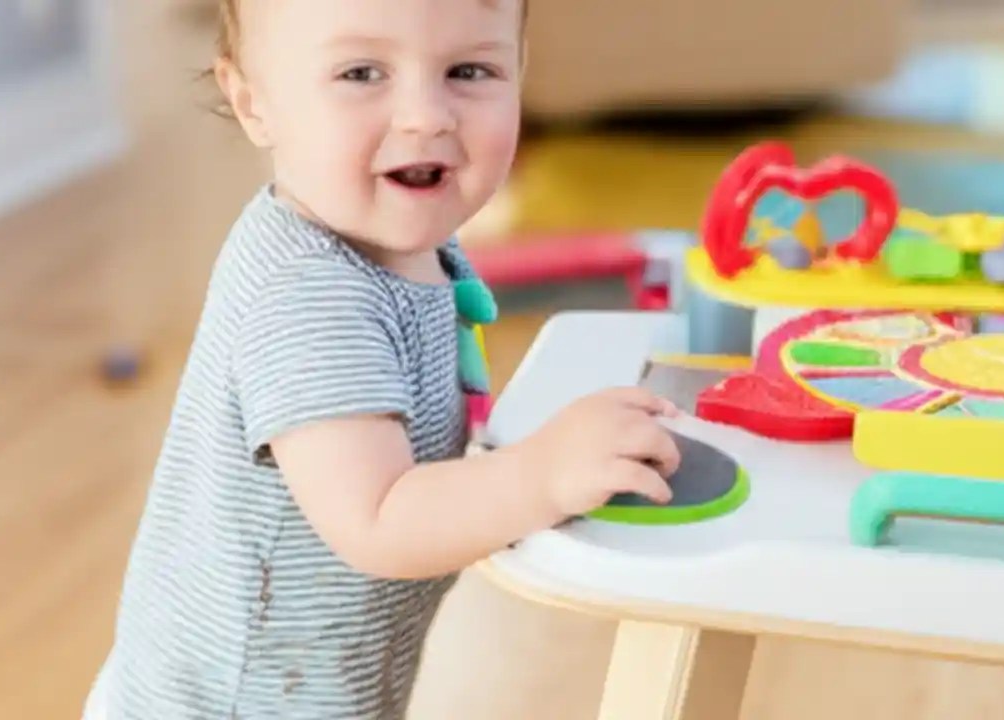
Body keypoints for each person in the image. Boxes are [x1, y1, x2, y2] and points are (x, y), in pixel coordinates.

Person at [83, 0, 681, 717]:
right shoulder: (307, 296)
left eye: (469, 70)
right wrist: (541, 473)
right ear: (253, 103)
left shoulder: (398, 243)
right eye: (362, 72)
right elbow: (379, 519)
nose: (426, 116)